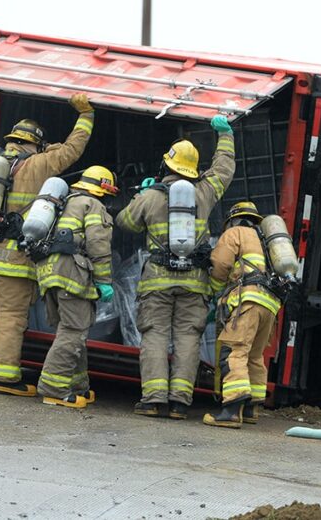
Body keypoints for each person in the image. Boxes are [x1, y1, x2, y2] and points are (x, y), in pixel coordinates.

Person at [0, 80, 94, 396]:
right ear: (35, 145)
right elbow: (72, 149)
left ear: (11, 140)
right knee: (11, 316)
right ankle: (4, 377)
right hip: (16, 259)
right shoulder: (41, 163)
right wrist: (86, 115)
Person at [116, 115, 236, 419]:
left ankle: (154, 399)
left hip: (157, 281)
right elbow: (224, 169)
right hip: (195, 282)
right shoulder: (204, 192)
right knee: (188, 337)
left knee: (155, 335)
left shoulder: (152, 195)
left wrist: (140, 196)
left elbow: (125, 223)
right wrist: (225, 136)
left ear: (167, 165)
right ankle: (181, 403)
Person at [33, 166, 117, 409]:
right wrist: (104, 282)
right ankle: (53, 389)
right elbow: (98, 245)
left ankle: (78, 386)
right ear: (103, 189)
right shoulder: (93, 205)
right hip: (72, 274)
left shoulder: (61, 202)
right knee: (73, 331)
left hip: (49, 275)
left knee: (71, 330)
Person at [203, 201, 282, 428]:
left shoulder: (236, 232)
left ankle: (230, 411)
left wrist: (214, 288)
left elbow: (220, 262)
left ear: (233, 219)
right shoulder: (267, 241)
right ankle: (251, 409)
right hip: (269, 305)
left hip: (247, 301)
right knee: (254, 356)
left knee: (233, 351)